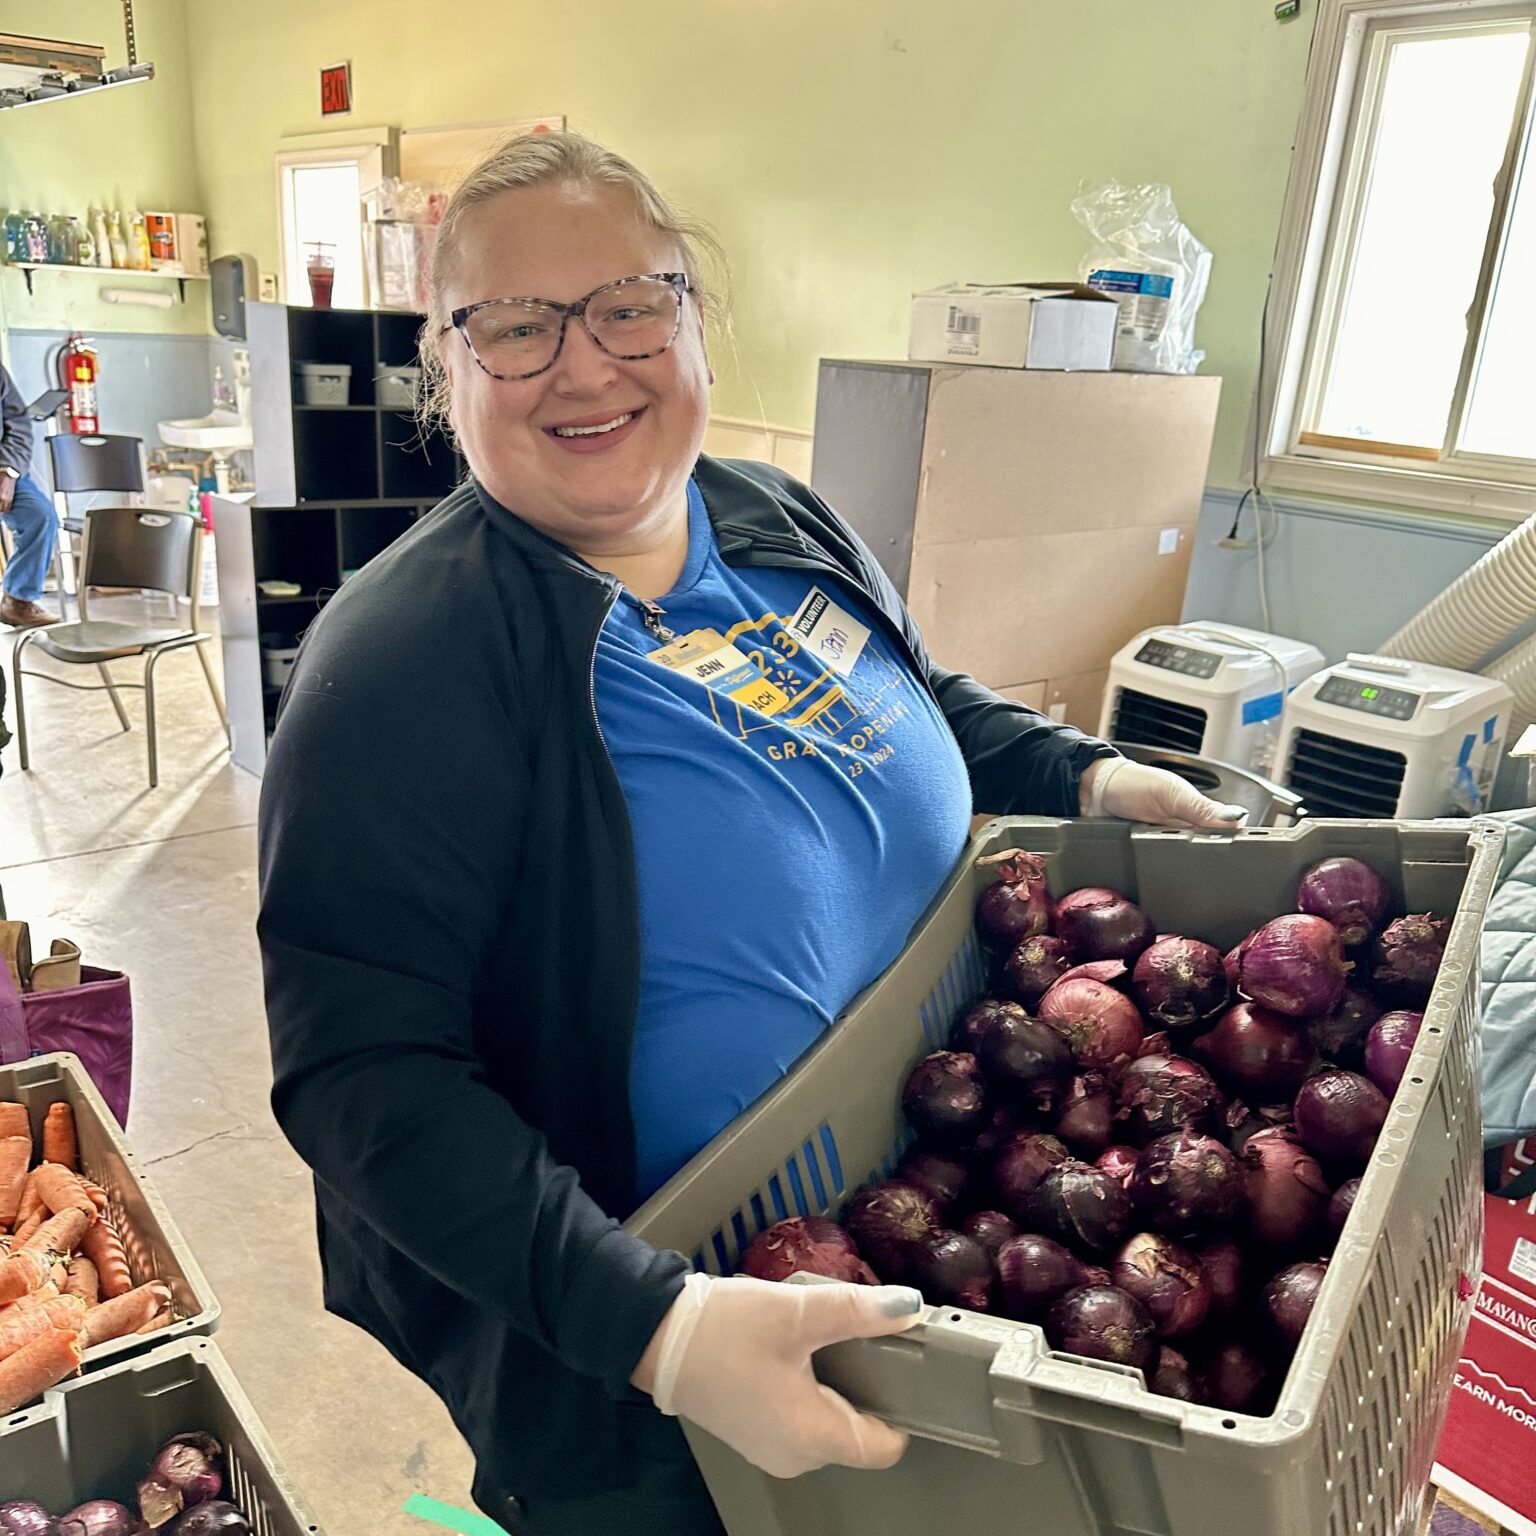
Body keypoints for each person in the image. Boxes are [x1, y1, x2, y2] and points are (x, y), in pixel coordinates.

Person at [257, 131, 1244, 1536]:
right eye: (517, 327)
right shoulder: (402, 668)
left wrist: (1083, 776)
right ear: (446, 366)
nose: (585, 366)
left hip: (956, 1208)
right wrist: (659, 1330)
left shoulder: (770, 513)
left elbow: (912, 699)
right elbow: (362, 1083)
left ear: (693, 318)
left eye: (627, 305)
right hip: (666, 1359)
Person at [0, 361, 60, 630]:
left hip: (3, 468)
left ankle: (18, 600)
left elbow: (19, 425)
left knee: (41, 515)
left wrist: (9, 471)